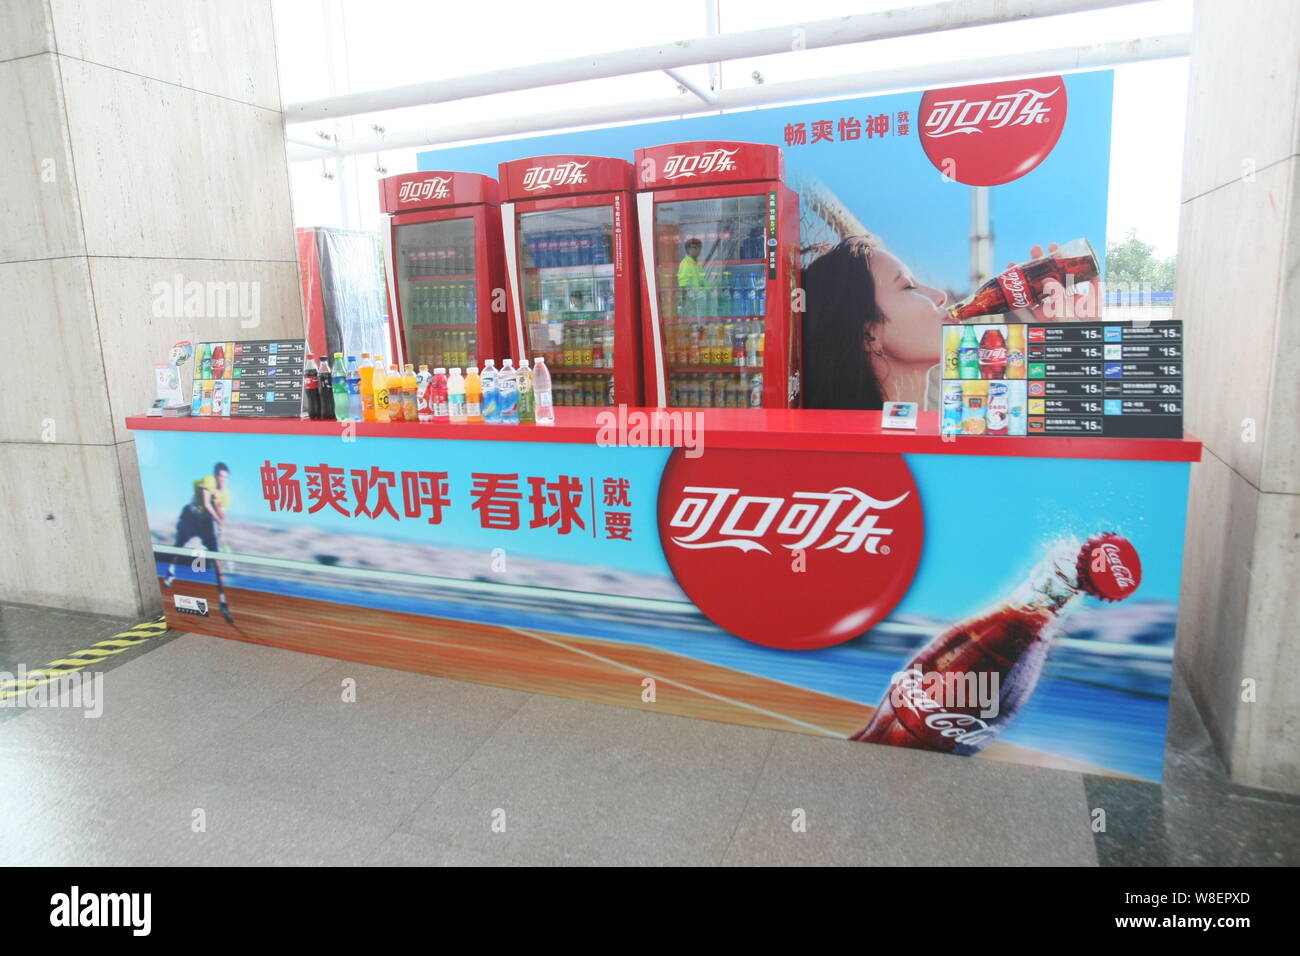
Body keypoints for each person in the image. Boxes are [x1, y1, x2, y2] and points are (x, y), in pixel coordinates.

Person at [802, 236, 1087, 409]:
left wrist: (1067, 335)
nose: (939, 295)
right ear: (869, 336)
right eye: (909, 287)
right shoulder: (863, 455)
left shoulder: (967, 416)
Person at [163, 462, 230, 588]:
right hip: (192, 516)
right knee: (179, 544)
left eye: (225, 477)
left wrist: (216, 503)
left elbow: (221, 515)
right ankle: (170, 571)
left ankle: (222, 597)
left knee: (216, 557)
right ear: (215, 475)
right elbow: (206, 504)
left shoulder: (226, 494)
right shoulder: (209, 481)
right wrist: (218, 520)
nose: (223, 480)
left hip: (206, 522)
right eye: (220, 476)